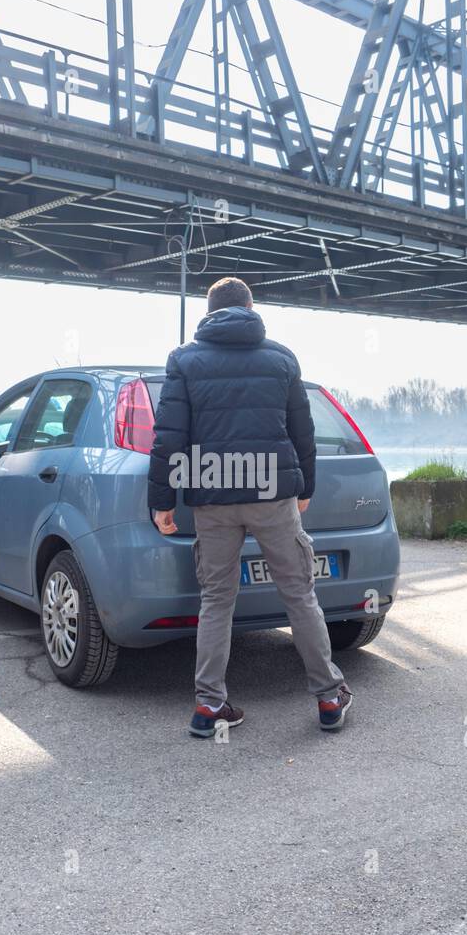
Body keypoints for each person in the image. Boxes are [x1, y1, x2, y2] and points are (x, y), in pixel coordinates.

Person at [148, 276, 353, 737]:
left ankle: (209, 706)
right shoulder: (280, 357)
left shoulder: (183, 359)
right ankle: (328, 697)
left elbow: (169, 437)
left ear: (208, 311)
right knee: (299, 594)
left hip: (211, 494)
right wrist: (305, 486)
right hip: (271, 493)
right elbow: (303, 432)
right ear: (251, 306)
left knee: (216, 600)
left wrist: (162, 500)